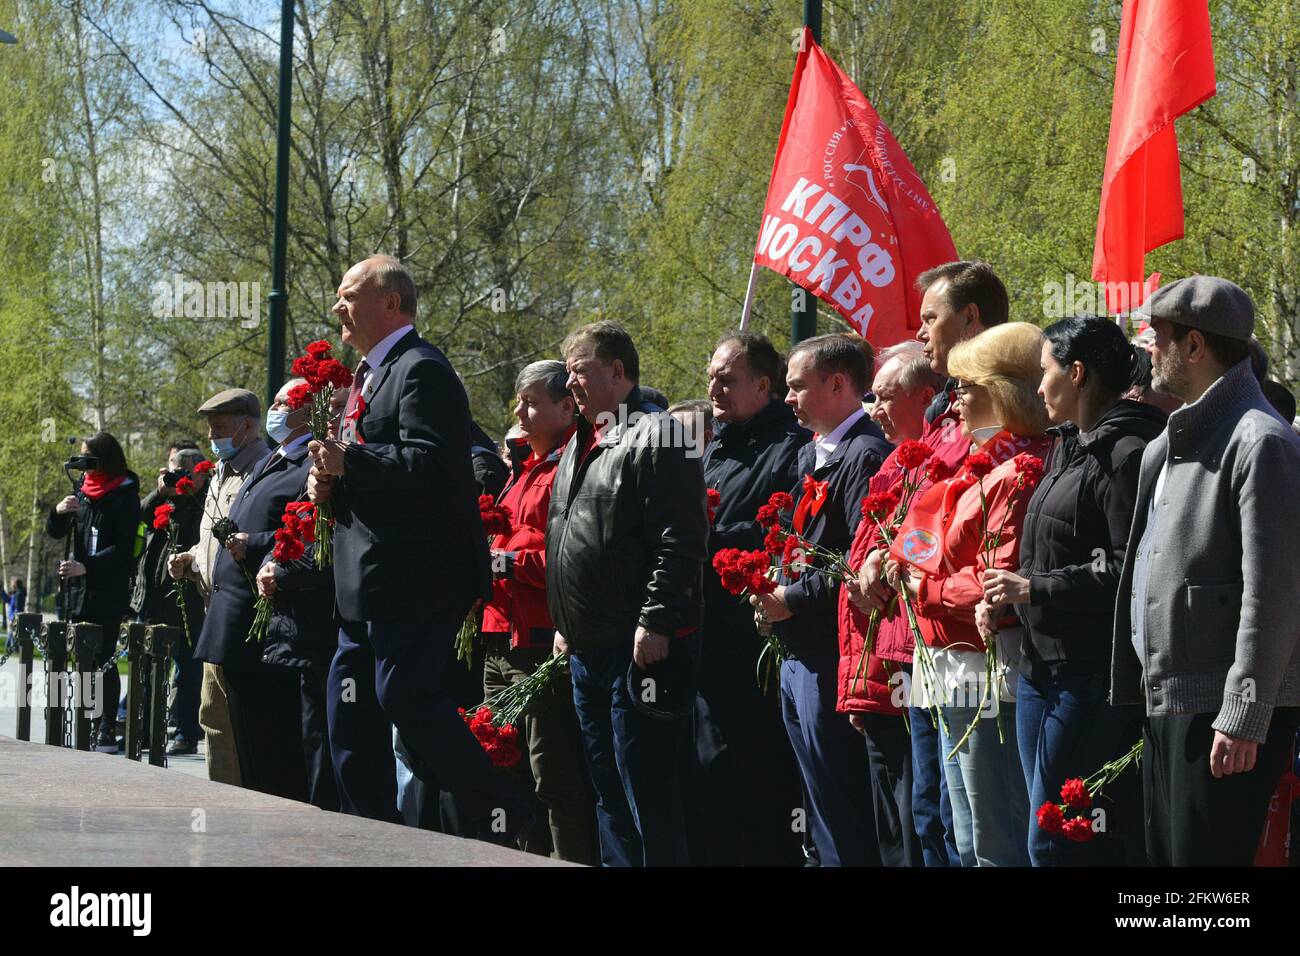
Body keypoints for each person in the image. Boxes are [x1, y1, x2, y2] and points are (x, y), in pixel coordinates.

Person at [307, 255, 523, 843]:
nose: (338, 308)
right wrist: (326, 480)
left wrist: (349, 460)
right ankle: (371, 839)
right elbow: (371, 467)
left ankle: (500, 811)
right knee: (347, 712)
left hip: (416, 578)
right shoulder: (368, 375)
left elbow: (431, 463)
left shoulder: (422, 369)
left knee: (403, 694)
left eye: (349, 295)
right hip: (365, 583)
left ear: (392, 304)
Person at [1111, 276, 1300, 866]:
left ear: (1195, 346)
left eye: (1157, 336)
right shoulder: (1166, 443)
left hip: (1223, 713)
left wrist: (1244, 712)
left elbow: (1274, 593)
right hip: (1171, 701)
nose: (1147, 350)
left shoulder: (1260, 440)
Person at [979, 316, 1165, 866]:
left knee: (1058, 839)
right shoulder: (1071, 444)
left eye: (1045, 373)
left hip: (1089, 677)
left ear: (1077, 373)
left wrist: (1033, 588)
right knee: (1048, 834)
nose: (1038, 388)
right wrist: (1007, 600)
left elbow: (1128, 574)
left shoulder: (1127, 451)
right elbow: (1052, 548)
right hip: (1043, 669)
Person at [847, 261, 1009, 868]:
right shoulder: (948, 415)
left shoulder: (1000, 415)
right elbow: (926, 515)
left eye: (931, 320)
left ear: (971, 319)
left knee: (980, 834)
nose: (921, 335)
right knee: (934, 817)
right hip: (930, 648)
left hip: (977, 650)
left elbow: (974, 526)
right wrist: (887, 558)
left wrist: (916, 573)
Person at [885, 321, 1052, 867]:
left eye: (965, 386)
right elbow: (933, 550)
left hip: (986, 666)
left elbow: (994, 579)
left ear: (1002, 391)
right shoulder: (988, 461)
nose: (953, 400)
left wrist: (921, 586)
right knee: (965, 834)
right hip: (950, 660)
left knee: (993, 837)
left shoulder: (1022, 467)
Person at [546, 321, 708, 866]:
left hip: (635, 650)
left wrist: (657, 620)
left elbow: (681, 538)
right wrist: (564, 623)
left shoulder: (660, 435)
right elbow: (567, 534)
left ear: (618, 372)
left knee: (647, 792)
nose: (570, 383)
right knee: (608, 791)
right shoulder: (580, 442)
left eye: (579, 371)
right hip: (585, 647)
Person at [750, 333, 892, 867]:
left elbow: (863, 561)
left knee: (840, 801)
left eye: (796, 386)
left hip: (831, 653)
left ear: (837, 384)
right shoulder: (815, 453)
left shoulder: (865, 454)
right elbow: (800, 542)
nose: (787, 398)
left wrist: (793, 596)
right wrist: (767, 580)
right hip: (798, 649)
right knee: (816, 797)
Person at [693, 331, 809, 867]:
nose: (713, 386)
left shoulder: (792, 448)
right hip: (706, 641)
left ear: (764, 385)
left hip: (756, 645)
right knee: (713, 777)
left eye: (726, 378)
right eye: (711, 375)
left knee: (761, 780)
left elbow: (786, 534)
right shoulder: (716, 444)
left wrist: (710, 536)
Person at [477, 359, 594, 863]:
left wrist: (505, 560)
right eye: (518, 402)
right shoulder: (521, 469)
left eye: (531, 403)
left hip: (542, 640)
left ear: (567, 407)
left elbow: (575, 555)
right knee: (506, 767)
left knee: (553, 774)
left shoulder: (576, 464)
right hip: (499, 635)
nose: (520, 413)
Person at [838, 340, 944, 868]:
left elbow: (926, 551)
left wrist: (885, 557)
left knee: (921, 818)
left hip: (910, 664)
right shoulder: (893, 465)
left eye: (884, 397)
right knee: (896, 827)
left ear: (926, 397)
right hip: (878, 665)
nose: (873, 410)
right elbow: (860, 556)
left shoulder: (937, 464)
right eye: (871, 399)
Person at [193, 378, 320, 801]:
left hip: (264, 627)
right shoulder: (274, 461)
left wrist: (257, 546)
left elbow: (303, 536)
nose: (276, 409)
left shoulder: (305, 465)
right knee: (235, 734)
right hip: (231, 623)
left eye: (285, 402)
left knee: (272, 752)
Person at [169, 387, 267, 785]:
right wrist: (193, 559)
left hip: (242, 618)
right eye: (210, 428)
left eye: (221, 427)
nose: (213, 436)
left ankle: (236, 801)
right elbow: (214, 539)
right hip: (213, 610)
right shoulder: (221, 473)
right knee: (212, 716)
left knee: (232, 721)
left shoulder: (260, 469)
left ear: (247, 426)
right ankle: (223, 797)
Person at [46, 432, 141, 752]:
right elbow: (57, 533)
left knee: (105, 658)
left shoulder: (125, 493)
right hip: (78, 591)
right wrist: (58, 512)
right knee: (82, 658)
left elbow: (124, 547)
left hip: (107, 591)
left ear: (104, 458)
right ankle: (85, 719)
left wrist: (89, 567)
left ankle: (104, 725)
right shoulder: (82, 492)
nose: (84, 466)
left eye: (89, 458)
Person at [132, 441, 210, 755]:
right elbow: (139, 517)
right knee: (150, 668)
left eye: (188, 473)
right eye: (178, 473)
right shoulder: (167, 499)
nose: (182, 479)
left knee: (189, 670)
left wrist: (192, 496)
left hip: (189, 598)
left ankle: (187, 733)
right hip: (154, 597)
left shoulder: (207, 501)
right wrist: (161, 492)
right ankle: (147, 730)